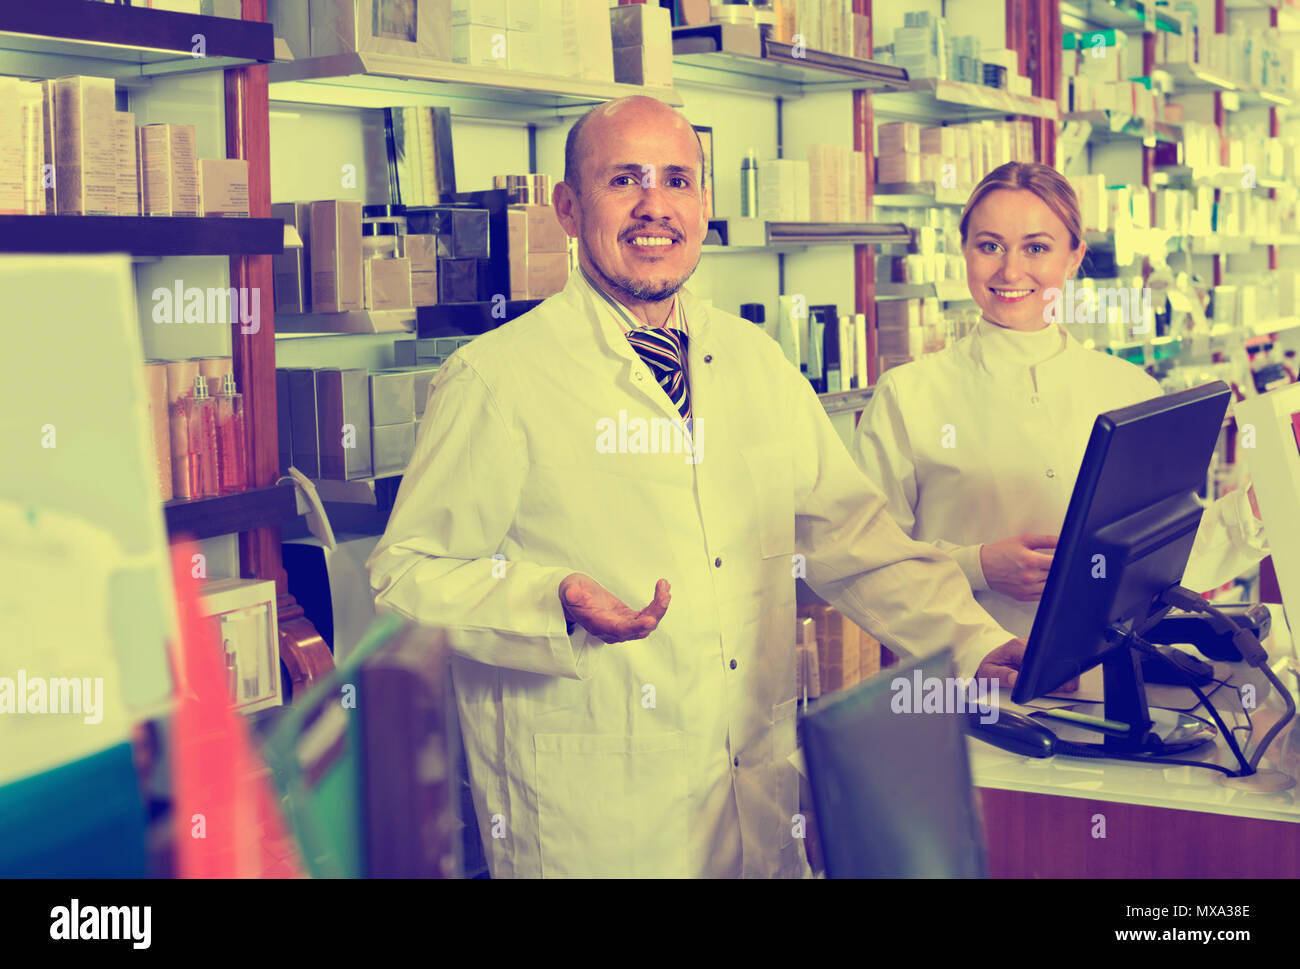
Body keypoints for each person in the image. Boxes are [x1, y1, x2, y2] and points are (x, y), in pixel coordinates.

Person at [366, 96, 1026, 879]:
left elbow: (853, 538)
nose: (655, 206)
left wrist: (979, 642)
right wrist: (552, 599)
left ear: (704, 206)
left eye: (677, 180)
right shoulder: (496, 380)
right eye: (624, 180)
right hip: (597, 823)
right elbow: (404, 576)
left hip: (754, 794)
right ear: (569, 209)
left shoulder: (756, 364)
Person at [853, 161, 1268, 641]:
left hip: (1107, 682)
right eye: (990, 246)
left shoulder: (1131, 391)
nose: (1010, 270)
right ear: (963, 251)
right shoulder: (908, 395)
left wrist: (1254, 512)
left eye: (1036, 248)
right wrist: (978, 566)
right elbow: (867, 563)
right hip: (964, 692)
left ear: (1073, 258)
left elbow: (1164, 561)